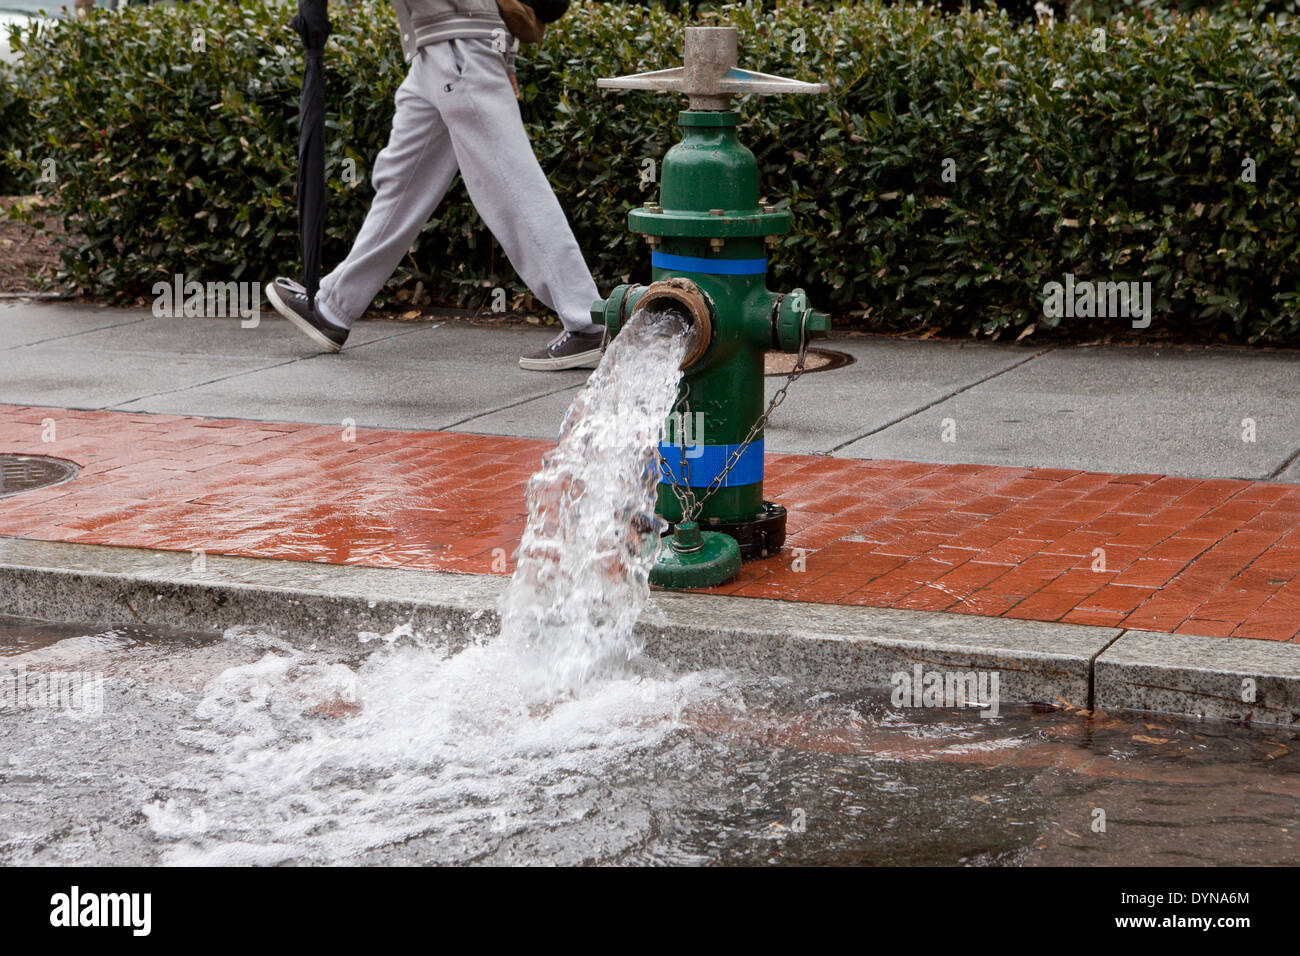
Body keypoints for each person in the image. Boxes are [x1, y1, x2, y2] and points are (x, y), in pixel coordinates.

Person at [266, 0, 606, 371]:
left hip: (458, 46)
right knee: (401, 182)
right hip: (441, 48)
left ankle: (588, 320)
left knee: (512, 185)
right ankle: (333, 307)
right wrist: (504, 57)